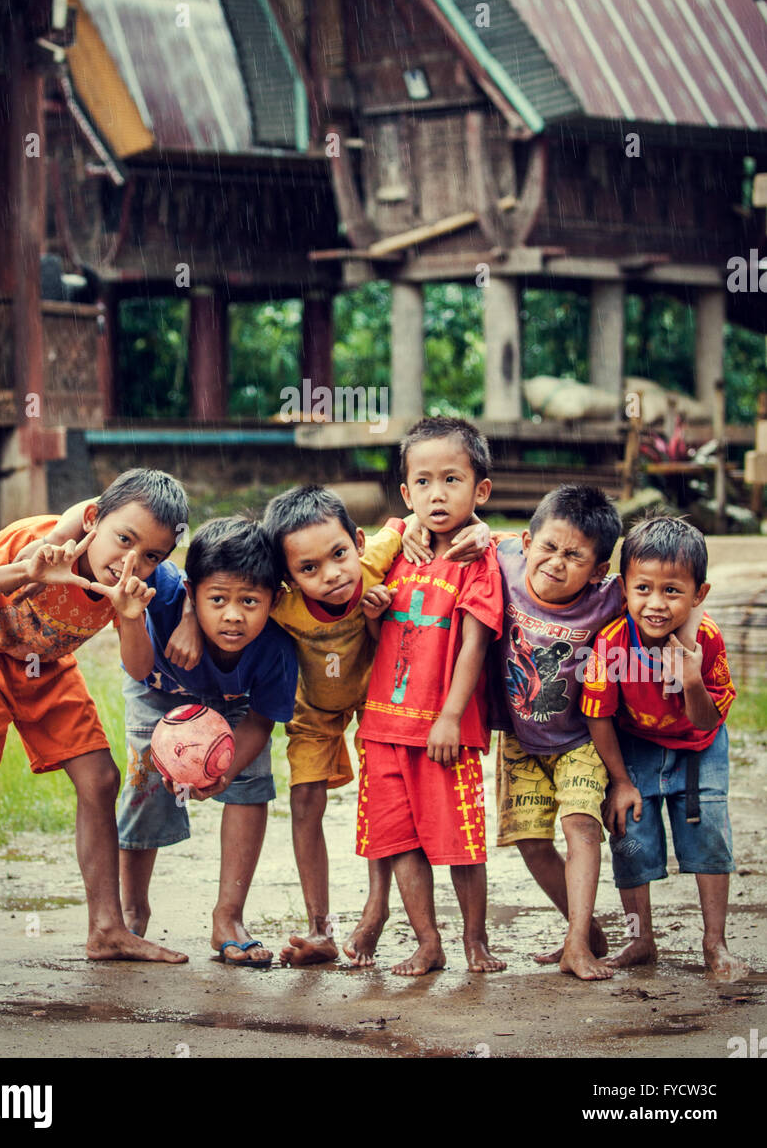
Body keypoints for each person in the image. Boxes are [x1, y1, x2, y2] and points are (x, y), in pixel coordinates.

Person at [0, 467, 190, 979]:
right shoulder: (37, 542)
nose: (131, 561)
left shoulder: (127, 588)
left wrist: (129, 615)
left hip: (46, 664)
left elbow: (137, 668)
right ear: (92, 520)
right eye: (123, 540)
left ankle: (106, 927)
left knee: (101, 778)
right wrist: (29, 572)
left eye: (151, 556)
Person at [356, 416, 505, 977]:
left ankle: (475, 939)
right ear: (405, 491)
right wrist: (373, 615)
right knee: (400, 841)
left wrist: (449, 716)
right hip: (383, 722)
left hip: (445, 728)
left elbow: (474, 644)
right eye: (423, 482)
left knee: (459, 839)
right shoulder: (399, 549)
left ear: (480, 490)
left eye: (451, 480)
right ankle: (428, 941)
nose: (436, 494)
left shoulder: (477, 558)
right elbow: (391, 637)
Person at [117, 516, 297, 968]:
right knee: (145, 785)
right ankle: (132, 911)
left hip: (233, 704)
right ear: (193, 592)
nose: (233, 615)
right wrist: (180, 616)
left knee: (251, 785)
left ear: (274, 599)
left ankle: (228, 919)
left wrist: (226, 771)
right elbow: (139, 665)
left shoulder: (275, 649)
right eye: (216, 600)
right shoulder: (164, 595)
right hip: (157, 692)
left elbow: (260, 721)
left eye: (250, 601)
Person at [581, 515, 747, 980]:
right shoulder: (612, 641)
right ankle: (640, 938)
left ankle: (715, 943)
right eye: (643, 589)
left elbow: (707, 719)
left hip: (699, 746)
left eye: (672, 591)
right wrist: (620, 782)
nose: (656, 604)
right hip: (635, 746)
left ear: (699, 595)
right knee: (630, 838)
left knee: (709, 836)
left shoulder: (706, 639)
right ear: (624, 588)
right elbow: (597, 713)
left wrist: (691, 679)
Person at [260, 486, 403, 967]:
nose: (332, 574)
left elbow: (405, 525)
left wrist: (417, 534)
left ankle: (375, 909)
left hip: (375, 696)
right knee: (304, 800)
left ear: (358, 542)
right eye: (309, 569)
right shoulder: (281, 604)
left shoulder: (373, 563)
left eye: (339, 554)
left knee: (381, 794)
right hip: (315, 708)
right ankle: (319, 928)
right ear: (288, 578)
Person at [489, 485, 623, 979]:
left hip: (580, 741)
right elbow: (460, 532)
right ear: (526, 541)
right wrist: (408, 527)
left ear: (599, 571)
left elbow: (669, 581)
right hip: (519, 739)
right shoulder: (502, 562)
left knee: (581, 828)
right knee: (529, 841)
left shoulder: (610, 598)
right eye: (548, 547)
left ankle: (575, 947)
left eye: (574, 555)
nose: (556, 562)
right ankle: (583, 930)